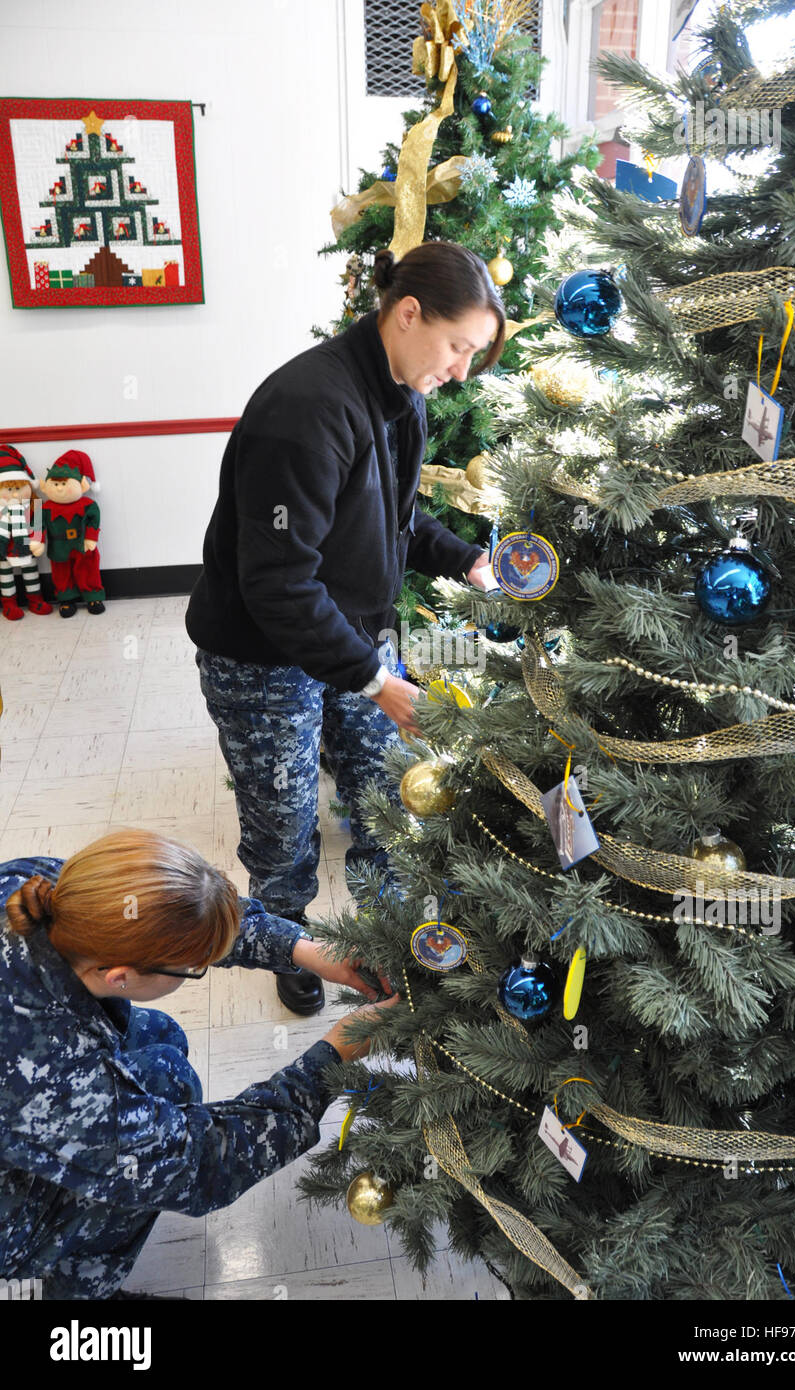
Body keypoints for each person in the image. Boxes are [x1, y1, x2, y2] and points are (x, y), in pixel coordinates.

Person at [185, 241, 505, 1014]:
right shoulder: (307, 409)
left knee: (383, 799)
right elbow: (278, 584)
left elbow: (390, 517)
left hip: (356, 643)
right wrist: (375, 679)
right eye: (458, 346)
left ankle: (383, 939)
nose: (461, 370)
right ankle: (289, 942)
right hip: (261, 659)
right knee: (283, 821)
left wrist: (466, 558)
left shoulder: (401, 391)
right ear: (406, 314)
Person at [0, 829, 399, 1301]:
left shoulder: (37, 890)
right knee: (148, 1135)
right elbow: (204, 1162)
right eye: (195, 967)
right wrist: (334, 1055)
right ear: (120, 977)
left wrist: (303, 950)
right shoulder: (53, 1080)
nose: (200, 967)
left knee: (161, 1040)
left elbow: (175, 917)